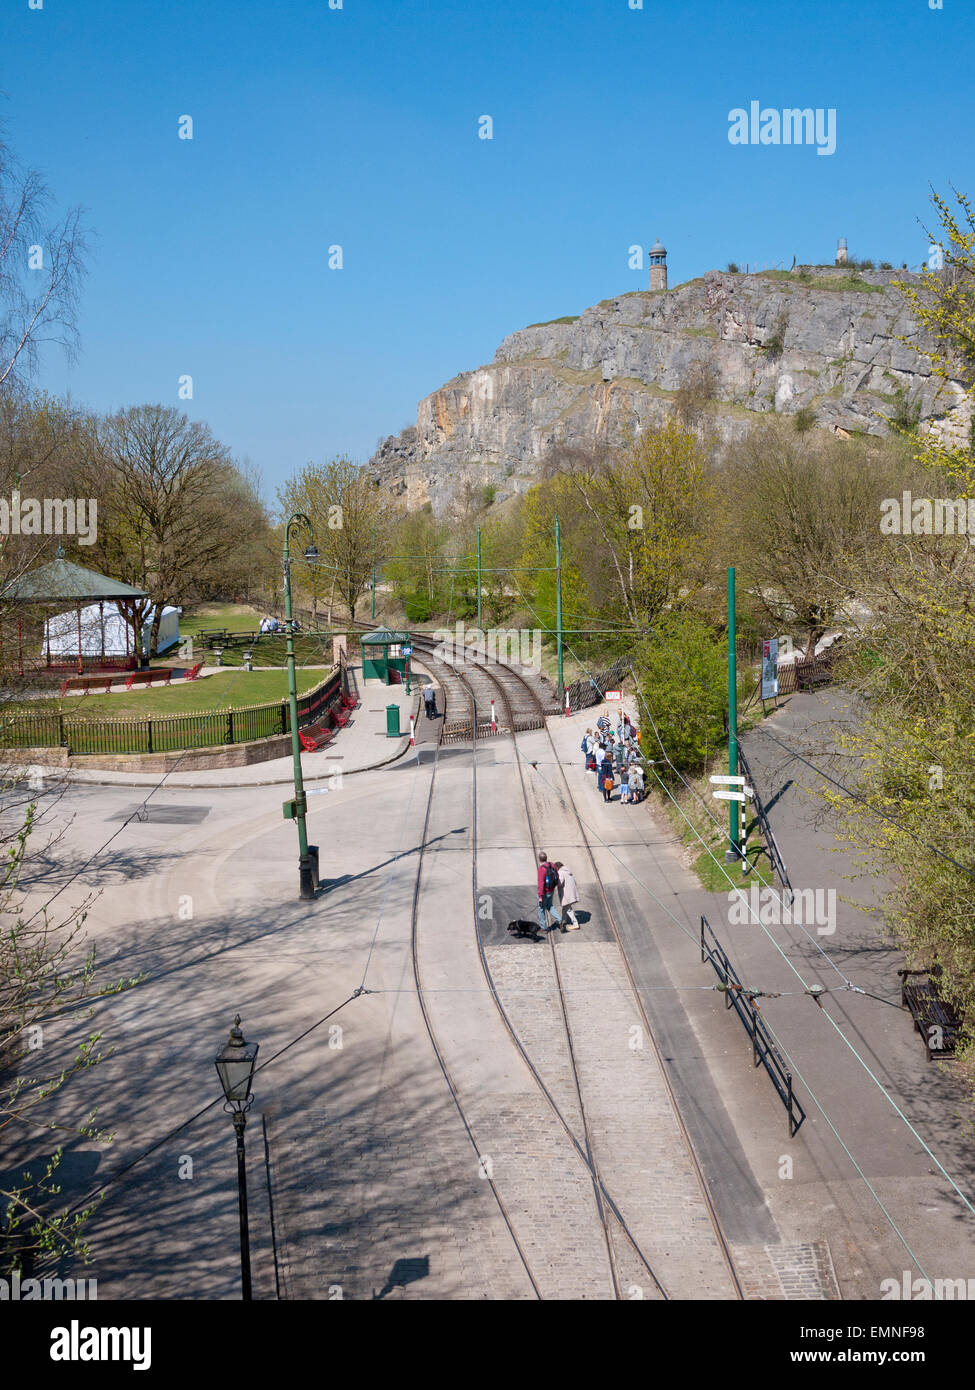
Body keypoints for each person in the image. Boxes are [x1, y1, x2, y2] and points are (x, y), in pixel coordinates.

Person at [536, 852, 562, 933]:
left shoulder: (541, 869)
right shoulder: (552, 865)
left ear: (539, 859)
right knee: (550, 906)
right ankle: (560, 920)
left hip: (544, 893)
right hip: (551, 891)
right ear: (546, 858)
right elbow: (557, 876)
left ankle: (543, 928)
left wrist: (540, 897)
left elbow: (541, 883)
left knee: (541, 910)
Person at [554, 862, 580, 930]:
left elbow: (560, 883)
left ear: (557, 867)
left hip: (566, 893)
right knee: (565, 907)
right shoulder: (568, 872)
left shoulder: (560, 872)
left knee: (568, 909)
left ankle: (575, 923)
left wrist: (555, 882)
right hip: (571, 892)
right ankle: (563, 921)